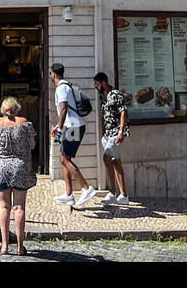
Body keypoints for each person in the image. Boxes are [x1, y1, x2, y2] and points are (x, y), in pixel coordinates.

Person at [0, 97, 36, 255]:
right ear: (17, 108)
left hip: (1, 169)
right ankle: (20, 247)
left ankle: (5, 245)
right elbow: (32, 145)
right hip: (20, 168)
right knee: (19, 207)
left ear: (3, 109)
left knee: (4, 206)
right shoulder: (25, 123)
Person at [49, 63, 96, 209]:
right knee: (64, 158)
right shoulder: (66, 86)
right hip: (72, 125)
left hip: (73, 126)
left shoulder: (61, 88)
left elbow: (63, 109)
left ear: (53, 74)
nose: (50, 76)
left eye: (50, 73)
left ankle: (86, 188)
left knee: (63, 158)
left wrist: (59, 127)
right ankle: (69, 194)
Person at [93, 72, 130, 205]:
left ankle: (112, 193)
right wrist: (103, 133)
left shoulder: (116, 94)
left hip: (116, 133)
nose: (95, 87)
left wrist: (120, 132)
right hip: (107, 135)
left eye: (97, 84)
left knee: (106, 158)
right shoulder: (102, 97)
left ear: (103, 82)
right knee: (115, 162)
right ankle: (123, 195)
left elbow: (123, 112)